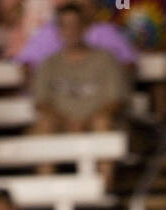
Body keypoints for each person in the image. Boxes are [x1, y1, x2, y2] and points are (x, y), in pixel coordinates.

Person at [32, 3, 129, 136]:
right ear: (59, 30)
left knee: (102, 122)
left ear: (84, 27)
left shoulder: (106, 59)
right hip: (61, 124)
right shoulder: (49, 63)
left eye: (75, 25)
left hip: (96, 123)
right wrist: (68, 122)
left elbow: (116, 100)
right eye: (65, 26)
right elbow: (41, 102)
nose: (71, 30)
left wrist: (87, 121)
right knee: (45, 124)